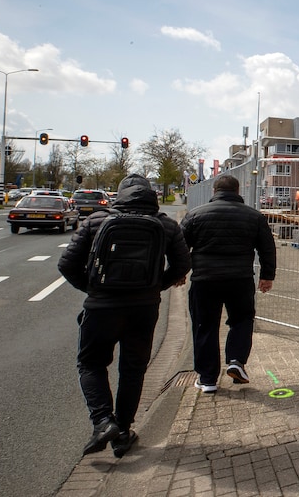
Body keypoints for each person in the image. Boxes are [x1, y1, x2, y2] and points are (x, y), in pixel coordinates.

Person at [58, 173, 190, 458]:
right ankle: (123, 431)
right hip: (143, 309)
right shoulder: (166, 225)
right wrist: (156, 286)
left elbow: (67, 265)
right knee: (133, 369)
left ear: (119, 196)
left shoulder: (96, 221)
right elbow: (183, 264)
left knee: (91, 364)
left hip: (101, 308)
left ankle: (103, 421)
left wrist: (93, 289)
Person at [181, 174, 276, 394]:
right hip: (240, 280)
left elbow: (180, 246)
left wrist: (180, 272)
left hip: (204, 280)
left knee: (205, 325)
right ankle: (236, 361)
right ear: (238, 191)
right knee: (242, 320)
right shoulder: (254, 217)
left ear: (214, 192)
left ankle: (207, 379)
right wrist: (267, 276)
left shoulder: (195, 215)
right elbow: (267, 248)